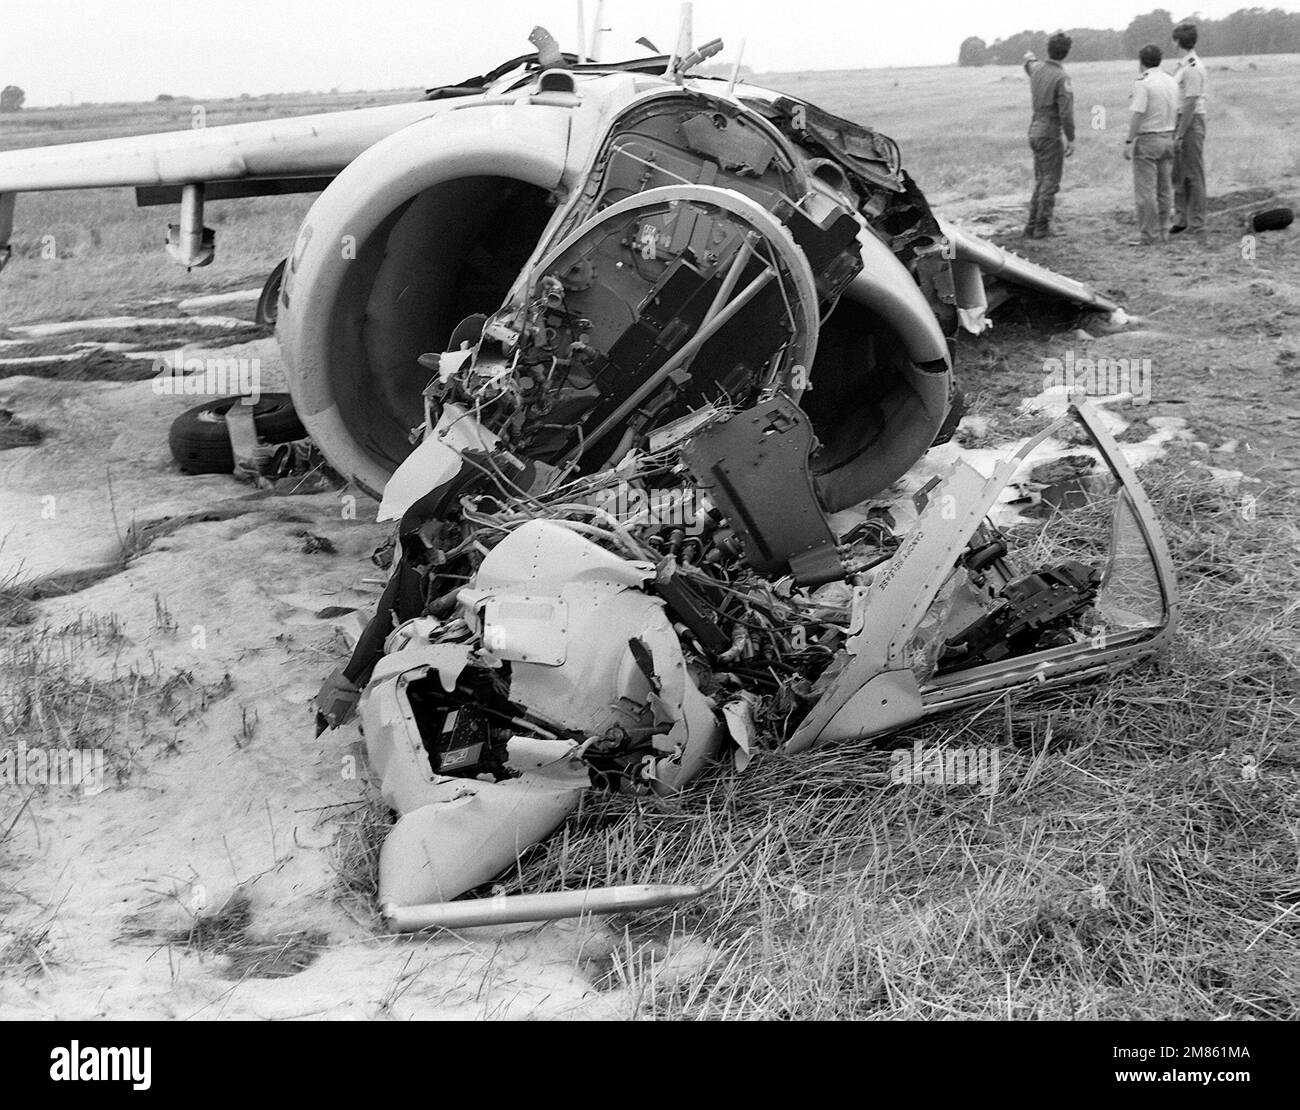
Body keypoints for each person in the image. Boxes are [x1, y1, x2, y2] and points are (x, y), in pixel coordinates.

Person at [1123, 44, 1179, 246]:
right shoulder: (1171, 81)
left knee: (1145, 191)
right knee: (1165, 189)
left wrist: (1129, 140)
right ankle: (1164, 230)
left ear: (1141, 61)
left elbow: (1138, 113)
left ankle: (1149, 234)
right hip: (1168, 136)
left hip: (1148, 139)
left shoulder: (1143, 82)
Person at [1022, 32, 1075, 238]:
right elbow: (1066, 113)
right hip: (1051, 133)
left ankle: (1031, 225)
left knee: (1041, 180)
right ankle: (1042, 228)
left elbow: (1029, 63)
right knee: (1050, 182)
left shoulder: (1037, 69)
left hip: (1034, 130)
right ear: (1066, 53)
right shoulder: (1062, 77)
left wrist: (1029, 56)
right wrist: (1071, 138)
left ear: (1049, 49)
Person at [1171, 21, 1209, 236]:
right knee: (1179, 174)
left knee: (1193, 174)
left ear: (1177, 41)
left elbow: (1191, 102)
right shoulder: (1183, 65)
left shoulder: (1192, 67)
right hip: (1181, 120)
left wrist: (1180, 133)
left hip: (1190, 122)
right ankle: (1181, 218)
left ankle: (1196, 222)